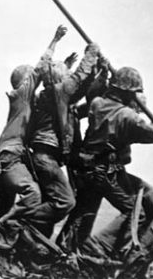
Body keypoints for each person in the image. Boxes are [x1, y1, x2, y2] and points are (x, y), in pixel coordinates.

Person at [66, 67, 153, 267]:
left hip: (86, 168)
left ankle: (68, 248)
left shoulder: (97, 104)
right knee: (136, 210)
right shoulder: (128, 116)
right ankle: (100, 247)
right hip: (105, 171)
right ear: (128, 92)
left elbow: (87, 108)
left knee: (87, 209)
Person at [0, 25, 67, 246]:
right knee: (33, 195)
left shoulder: (25, 102)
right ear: (24, 81)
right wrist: (55, 41)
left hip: (8, 156)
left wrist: (65, 68)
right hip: (10, 156)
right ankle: (2, 231)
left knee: (2, 205)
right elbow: (40, 68)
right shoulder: (21, 95)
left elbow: (48, 81)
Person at [25, 41, 102, 237]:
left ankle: (33, 242)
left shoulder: (50, 98)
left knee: (50, 202)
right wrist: (91, 53)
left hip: (44, 158)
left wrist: (99, 72)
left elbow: (81, 89)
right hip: (46, 158)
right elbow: (79, 78)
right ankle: (17, 220)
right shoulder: (59, 93)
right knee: (65, 202)